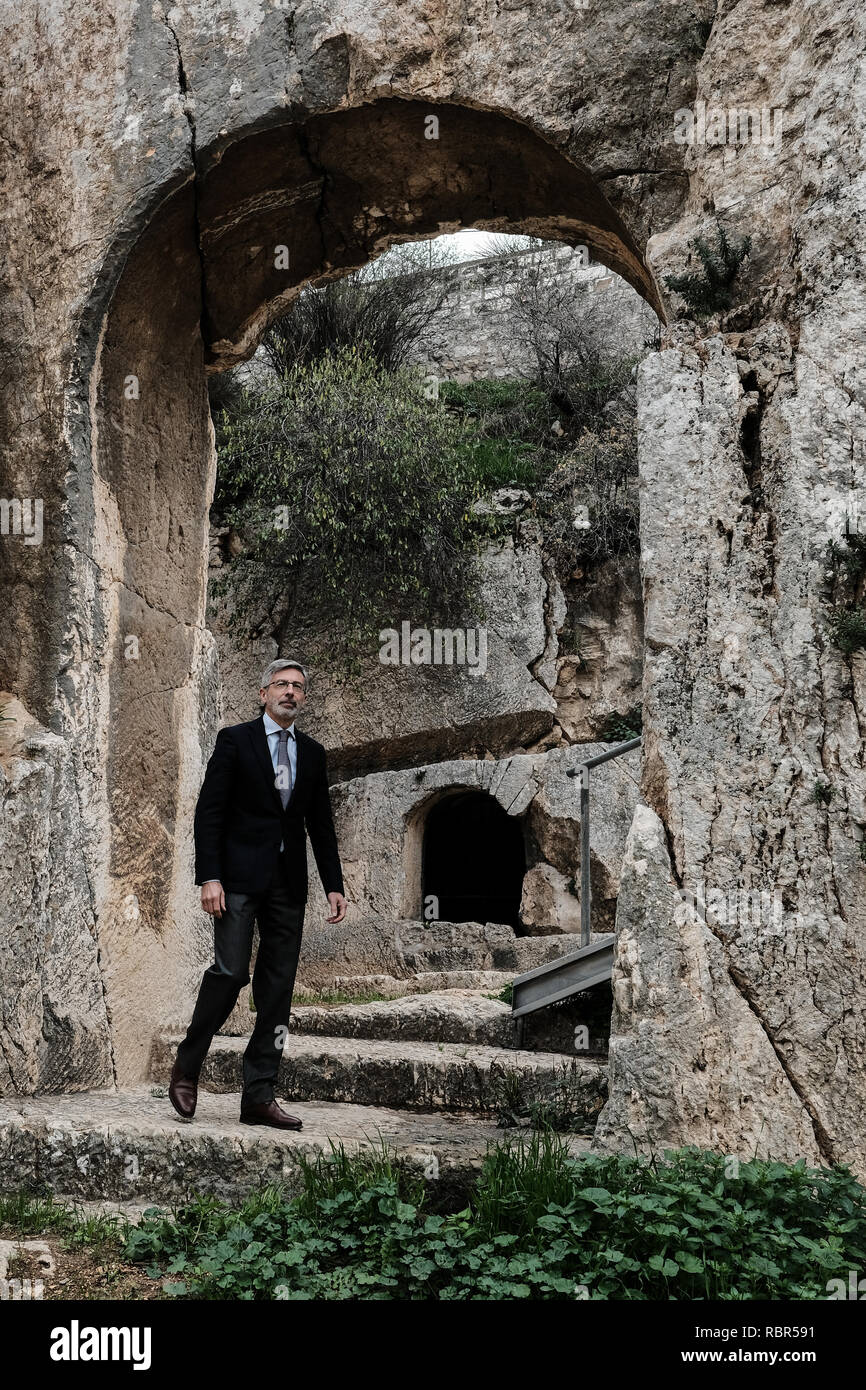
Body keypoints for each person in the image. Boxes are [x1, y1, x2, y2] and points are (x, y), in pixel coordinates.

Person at [169, 658, 347, 1129]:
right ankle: (188, 1065)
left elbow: (321, 826)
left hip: (288, 885)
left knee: (278, 990)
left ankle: (259, 1095)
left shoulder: (312, 752)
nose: (290, 692)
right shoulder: (234, 741)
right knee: (229, 973)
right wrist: (209, 876)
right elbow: (209, 814)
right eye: (281, 685)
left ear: (304, 698)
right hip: (238, 882)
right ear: (263, 693)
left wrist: (334, 884)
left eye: (298, 687)